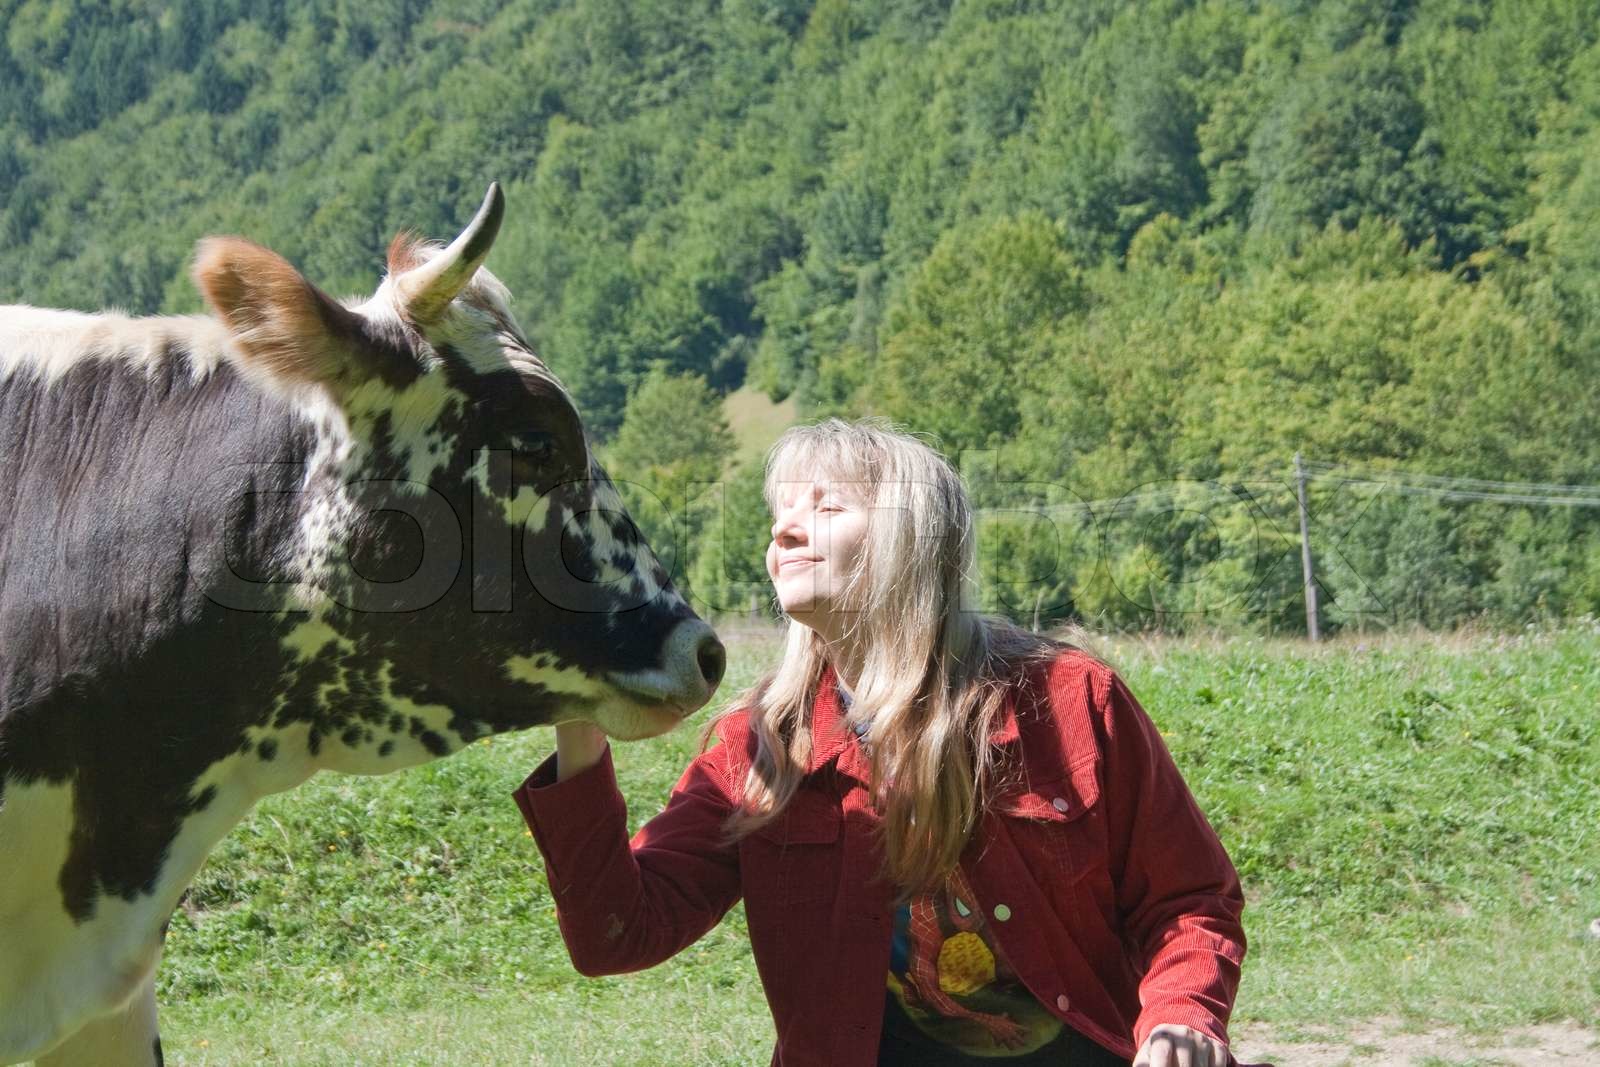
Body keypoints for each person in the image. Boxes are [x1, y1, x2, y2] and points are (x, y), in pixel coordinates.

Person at [514, 418, 1252, 1067]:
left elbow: (1190, 899)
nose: (784, 530)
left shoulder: (1068, 701)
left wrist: (1182, 1016)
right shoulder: (760, 746)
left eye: (825, 506)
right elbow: (617, 931)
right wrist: (578, 709)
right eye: (780, 513)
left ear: (911, 538)